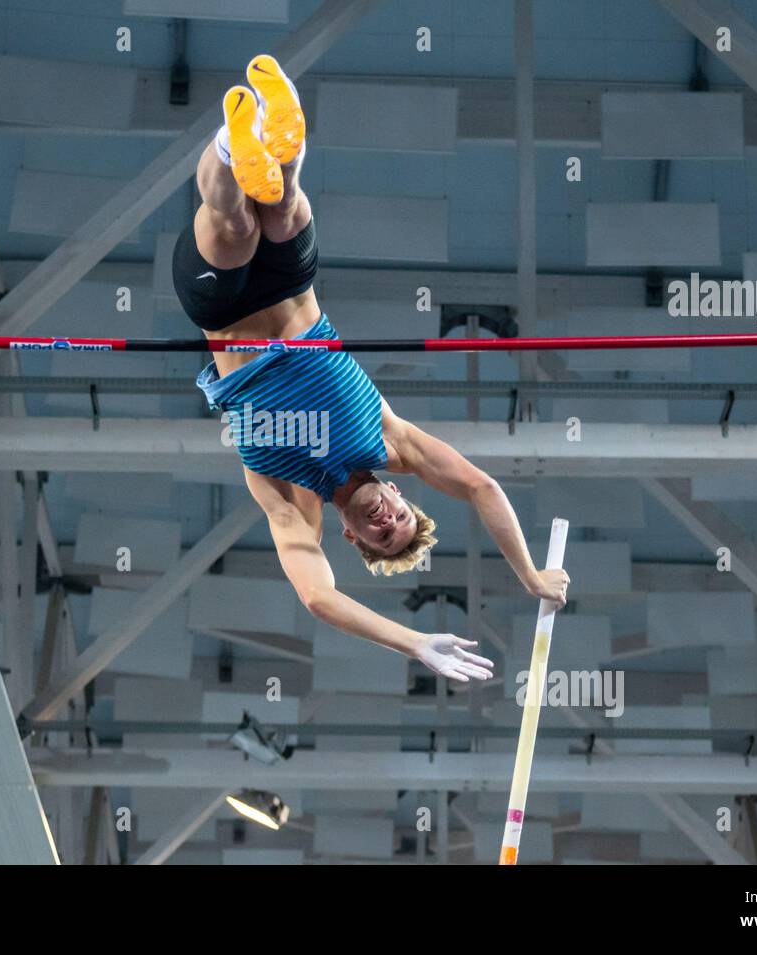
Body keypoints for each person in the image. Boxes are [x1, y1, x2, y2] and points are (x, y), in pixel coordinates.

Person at [173, 55, 569, 683]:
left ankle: (232, 139)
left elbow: (319, 598)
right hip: (294, 291)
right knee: (282, 208)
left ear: (354, 538)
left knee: (235, 223)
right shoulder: (393, 441)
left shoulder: (291, 501)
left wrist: (414, 643)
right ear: (398, 493)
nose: (388, 523)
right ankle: (279, 134)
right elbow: (480, 487)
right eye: (401, 518)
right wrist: (529, 575)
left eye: (381, 537)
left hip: (224, 312)